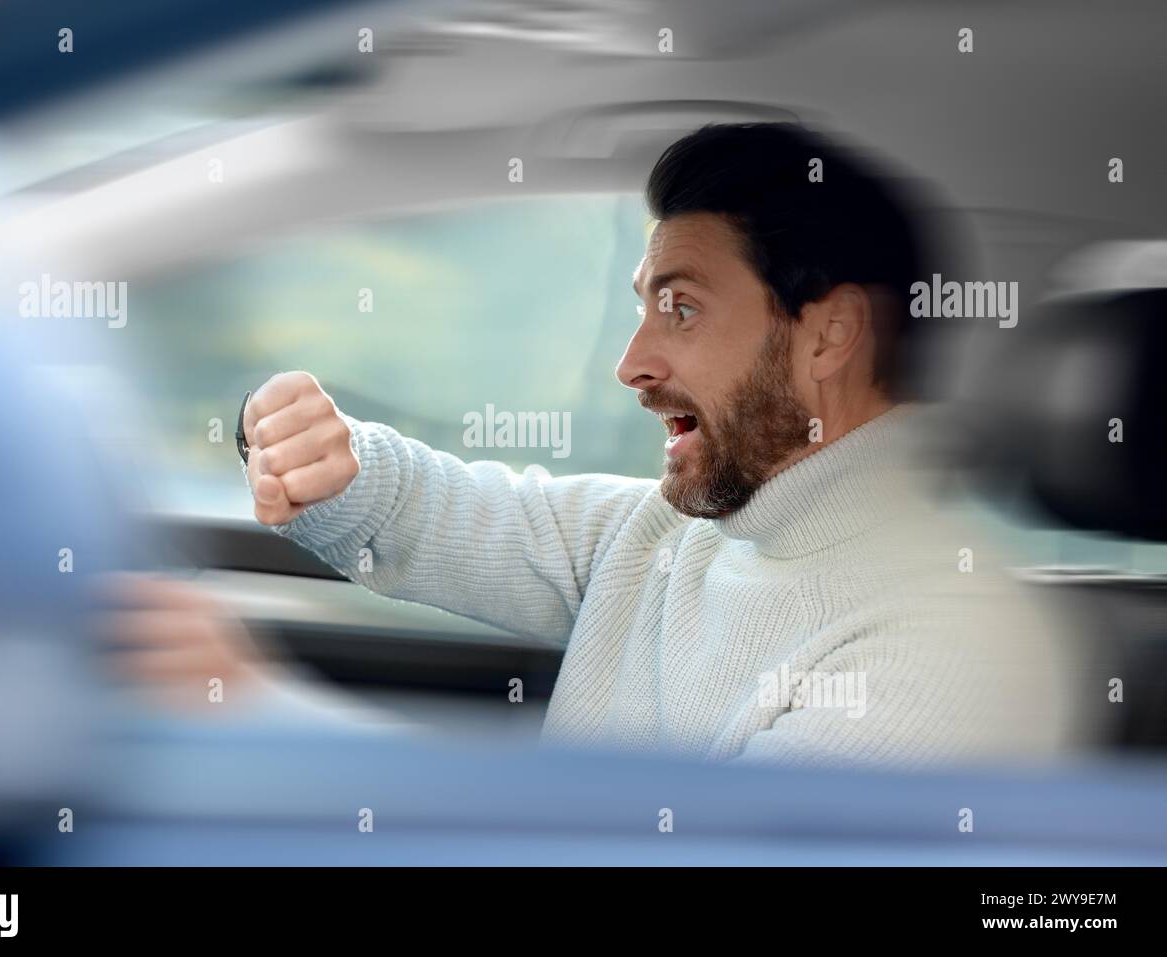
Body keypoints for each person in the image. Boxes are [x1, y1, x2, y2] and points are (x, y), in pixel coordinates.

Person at [238, 123, 1087, 767]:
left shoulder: (953, 646)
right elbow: (431, 508)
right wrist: (312, 451)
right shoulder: (677, 532)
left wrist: (265, 721)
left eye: (680, 307)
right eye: (643, 306)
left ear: (830, 335)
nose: (631, 364)